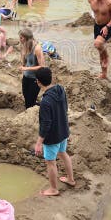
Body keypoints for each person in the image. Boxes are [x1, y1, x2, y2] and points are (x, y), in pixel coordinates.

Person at [34, 67, 75, 196]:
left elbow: (45, 124)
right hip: (63, 130)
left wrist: (39, 143)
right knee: (63, 153)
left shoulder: (45, 102)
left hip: (52, 137)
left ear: (38, 82)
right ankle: (71, 179)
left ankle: (53, 189)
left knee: (50, 162)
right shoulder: (60, 89)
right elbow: (65, 108)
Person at [18, 28, 46, 108]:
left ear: (26, 38)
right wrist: (23, 60)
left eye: (21, 38)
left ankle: (44, 107)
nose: (20, 40)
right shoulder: (25, 45)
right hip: (26, 77)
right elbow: (25, 62)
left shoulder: (37, 48)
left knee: (30, 102)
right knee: (26, 98)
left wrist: (26, 69)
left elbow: (42, 66)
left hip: (35, 79)